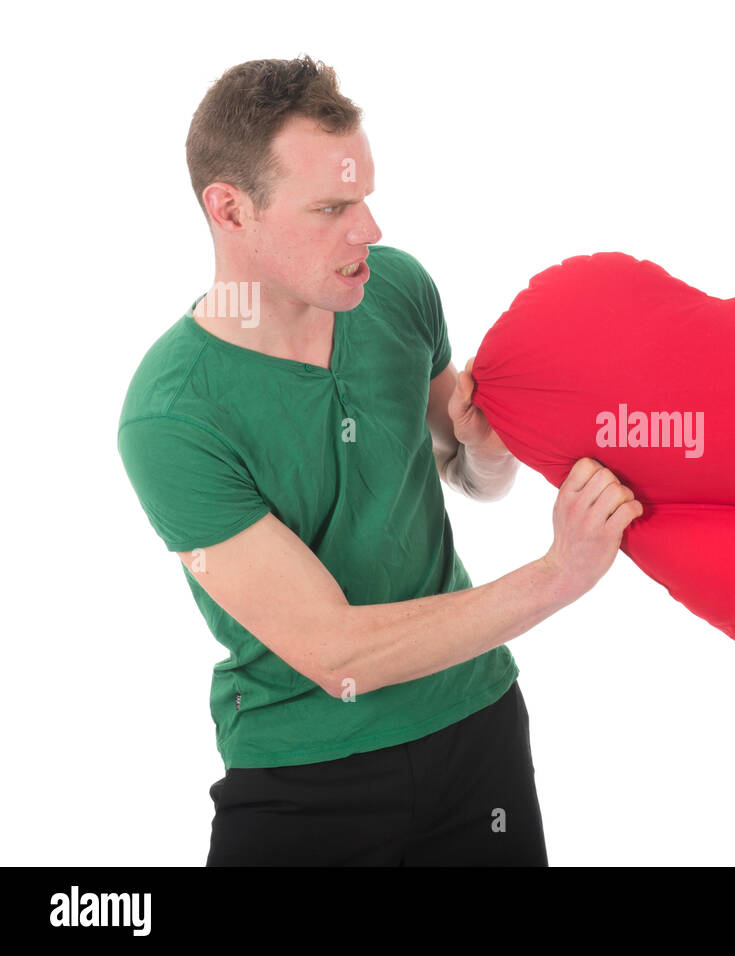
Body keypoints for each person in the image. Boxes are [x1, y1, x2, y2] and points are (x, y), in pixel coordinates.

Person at [116, 56, 642, 866]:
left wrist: (485, 443)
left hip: (478, 732)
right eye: (331, 207)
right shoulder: (171, 414)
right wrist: (557, 575)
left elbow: (468, 476)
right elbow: (337, 655)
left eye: (363, 197)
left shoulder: (392, 289)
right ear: (229, 210)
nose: (369, 230)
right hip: (303, 779)